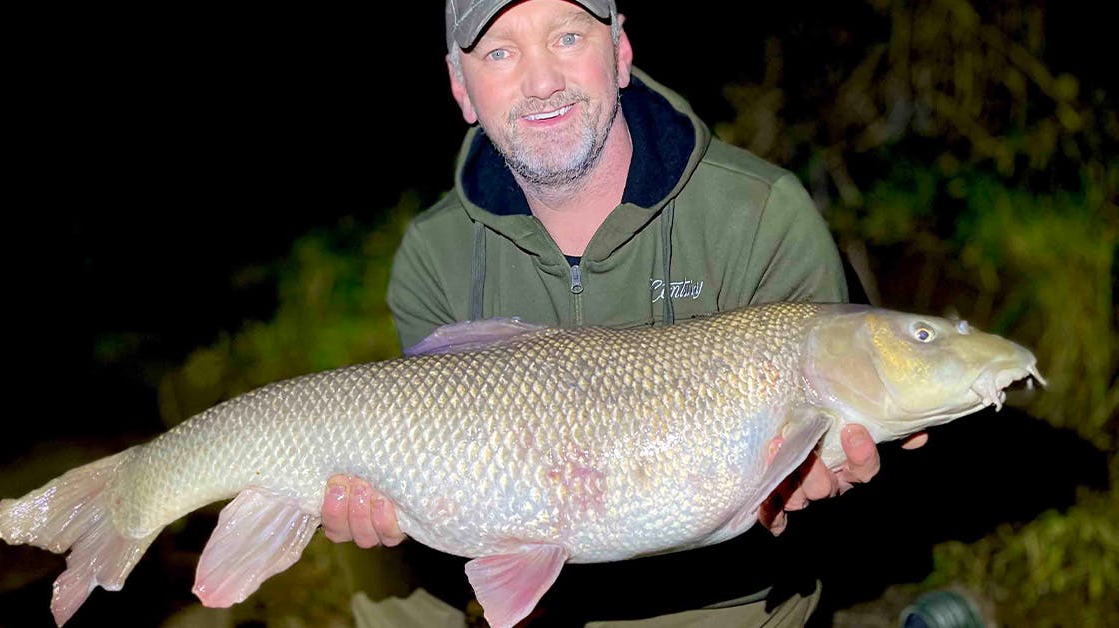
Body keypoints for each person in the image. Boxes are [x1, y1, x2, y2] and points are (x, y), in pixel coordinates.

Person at [321, 0, 926, 625]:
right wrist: (395, 503)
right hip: (535, 607)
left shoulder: (763, 215)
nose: (542, 82)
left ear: (620, 53)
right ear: (460, 88)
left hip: (731, 607)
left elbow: (836, 489)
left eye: (568, 37)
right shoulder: (433, 252)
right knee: (369, 540)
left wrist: (816, 478)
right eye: (500, 53)